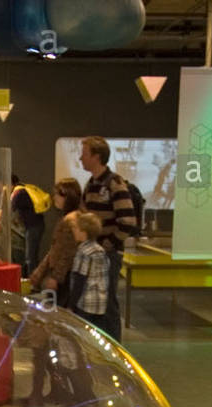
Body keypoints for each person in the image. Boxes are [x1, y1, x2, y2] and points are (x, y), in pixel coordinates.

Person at [79, 136, 137, 339]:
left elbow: (127, 221)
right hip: (93, 253)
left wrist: (107, 245)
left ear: (96, 157)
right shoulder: (91, 184)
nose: (80, 158)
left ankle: (115, 346)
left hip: (108, 255)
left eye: (84, 154)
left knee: (108, 301)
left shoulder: (115, 183)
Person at [28, 178, 81, 300]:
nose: (54, 198)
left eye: (57, 194)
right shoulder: (68, 218)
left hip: (65, 277)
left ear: (67, 195)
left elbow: (67, 252)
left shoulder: (71, 220)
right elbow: (55, 249)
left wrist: (55, 278)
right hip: (61, 275)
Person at [67, 212, 115, 339]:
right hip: (100, 304)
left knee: (83, 338)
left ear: (84, 232)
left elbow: (80, 280)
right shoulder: (100, 250)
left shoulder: (83, 252)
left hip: (85, 304)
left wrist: (71, 305)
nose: (74, 231)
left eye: (76, 228)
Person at [9, 174, 46, 277]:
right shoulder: (23, 189)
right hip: (36, 225)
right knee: (31, 255)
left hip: (33, 227)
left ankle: (32, 282)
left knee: (30, 257)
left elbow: (9, 211)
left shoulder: (18, 193)